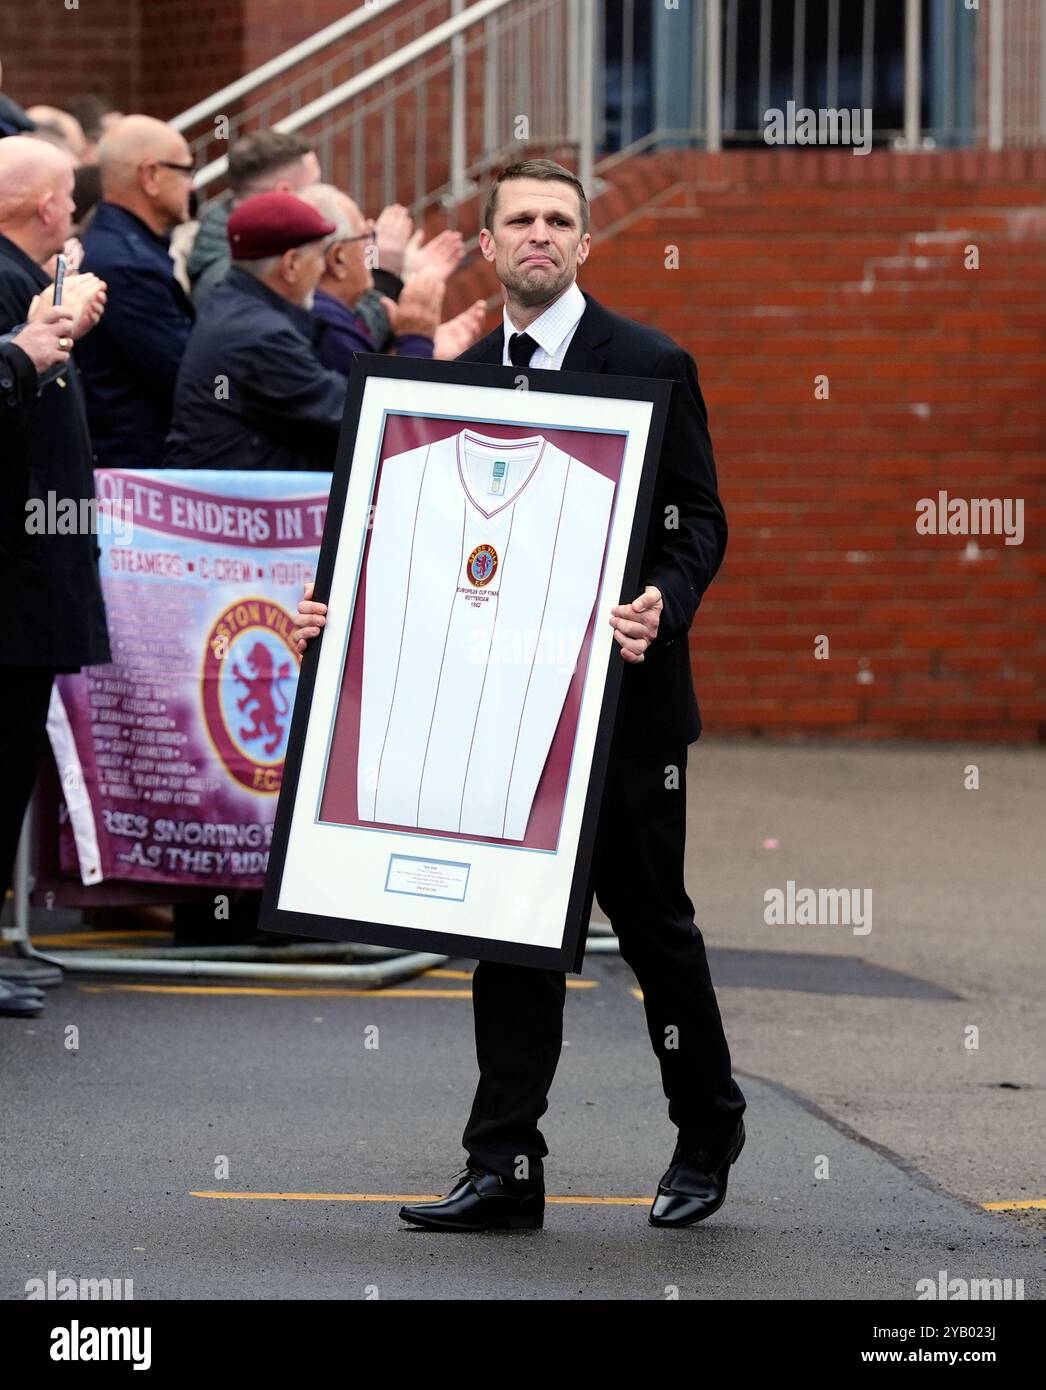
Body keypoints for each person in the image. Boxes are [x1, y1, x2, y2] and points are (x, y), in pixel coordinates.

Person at [293, 158, 747, 1231]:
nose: (539, 234)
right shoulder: (448, 379)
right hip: (494, 709)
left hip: (626, 710)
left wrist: (660, 601)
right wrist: (338, 610)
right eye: (519, 220)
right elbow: (408, 532)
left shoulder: (648, 361)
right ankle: (504, 1166)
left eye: (559, 219)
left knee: (651, 931)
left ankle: (706, 1125)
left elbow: (700, 517)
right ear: (488, 248)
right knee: (506, 929)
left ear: (584, 244)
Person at [0, 138, 110, 1017]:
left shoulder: (24, 284)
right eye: (68, 197)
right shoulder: (6, 285)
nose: (72, 212)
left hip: (31, 570)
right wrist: (26, 352)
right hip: (14, 578)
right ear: (44, 209)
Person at [164, 190, 346, 471]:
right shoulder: (262, 335)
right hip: (234, 506)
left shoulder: (230, 303)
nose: (323, 269)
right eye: (320, 256)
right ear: (291, 265)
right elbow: (345, 412)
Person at [77, 115, 195, 467]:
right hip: (136, 479)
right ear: (151, 176)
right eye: (186, 171)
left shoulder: (127, 248)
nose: (192, 185)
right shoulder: (127, 265)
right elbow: (183, 377)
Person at [301, 183, 487, 370]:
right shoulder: (328, 328)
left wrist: (407, 349)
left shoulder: (326, 318)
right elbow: (382, 398)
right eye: (366, 238)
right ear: (338, 259)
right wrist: (416, 340)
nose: (372, 251)